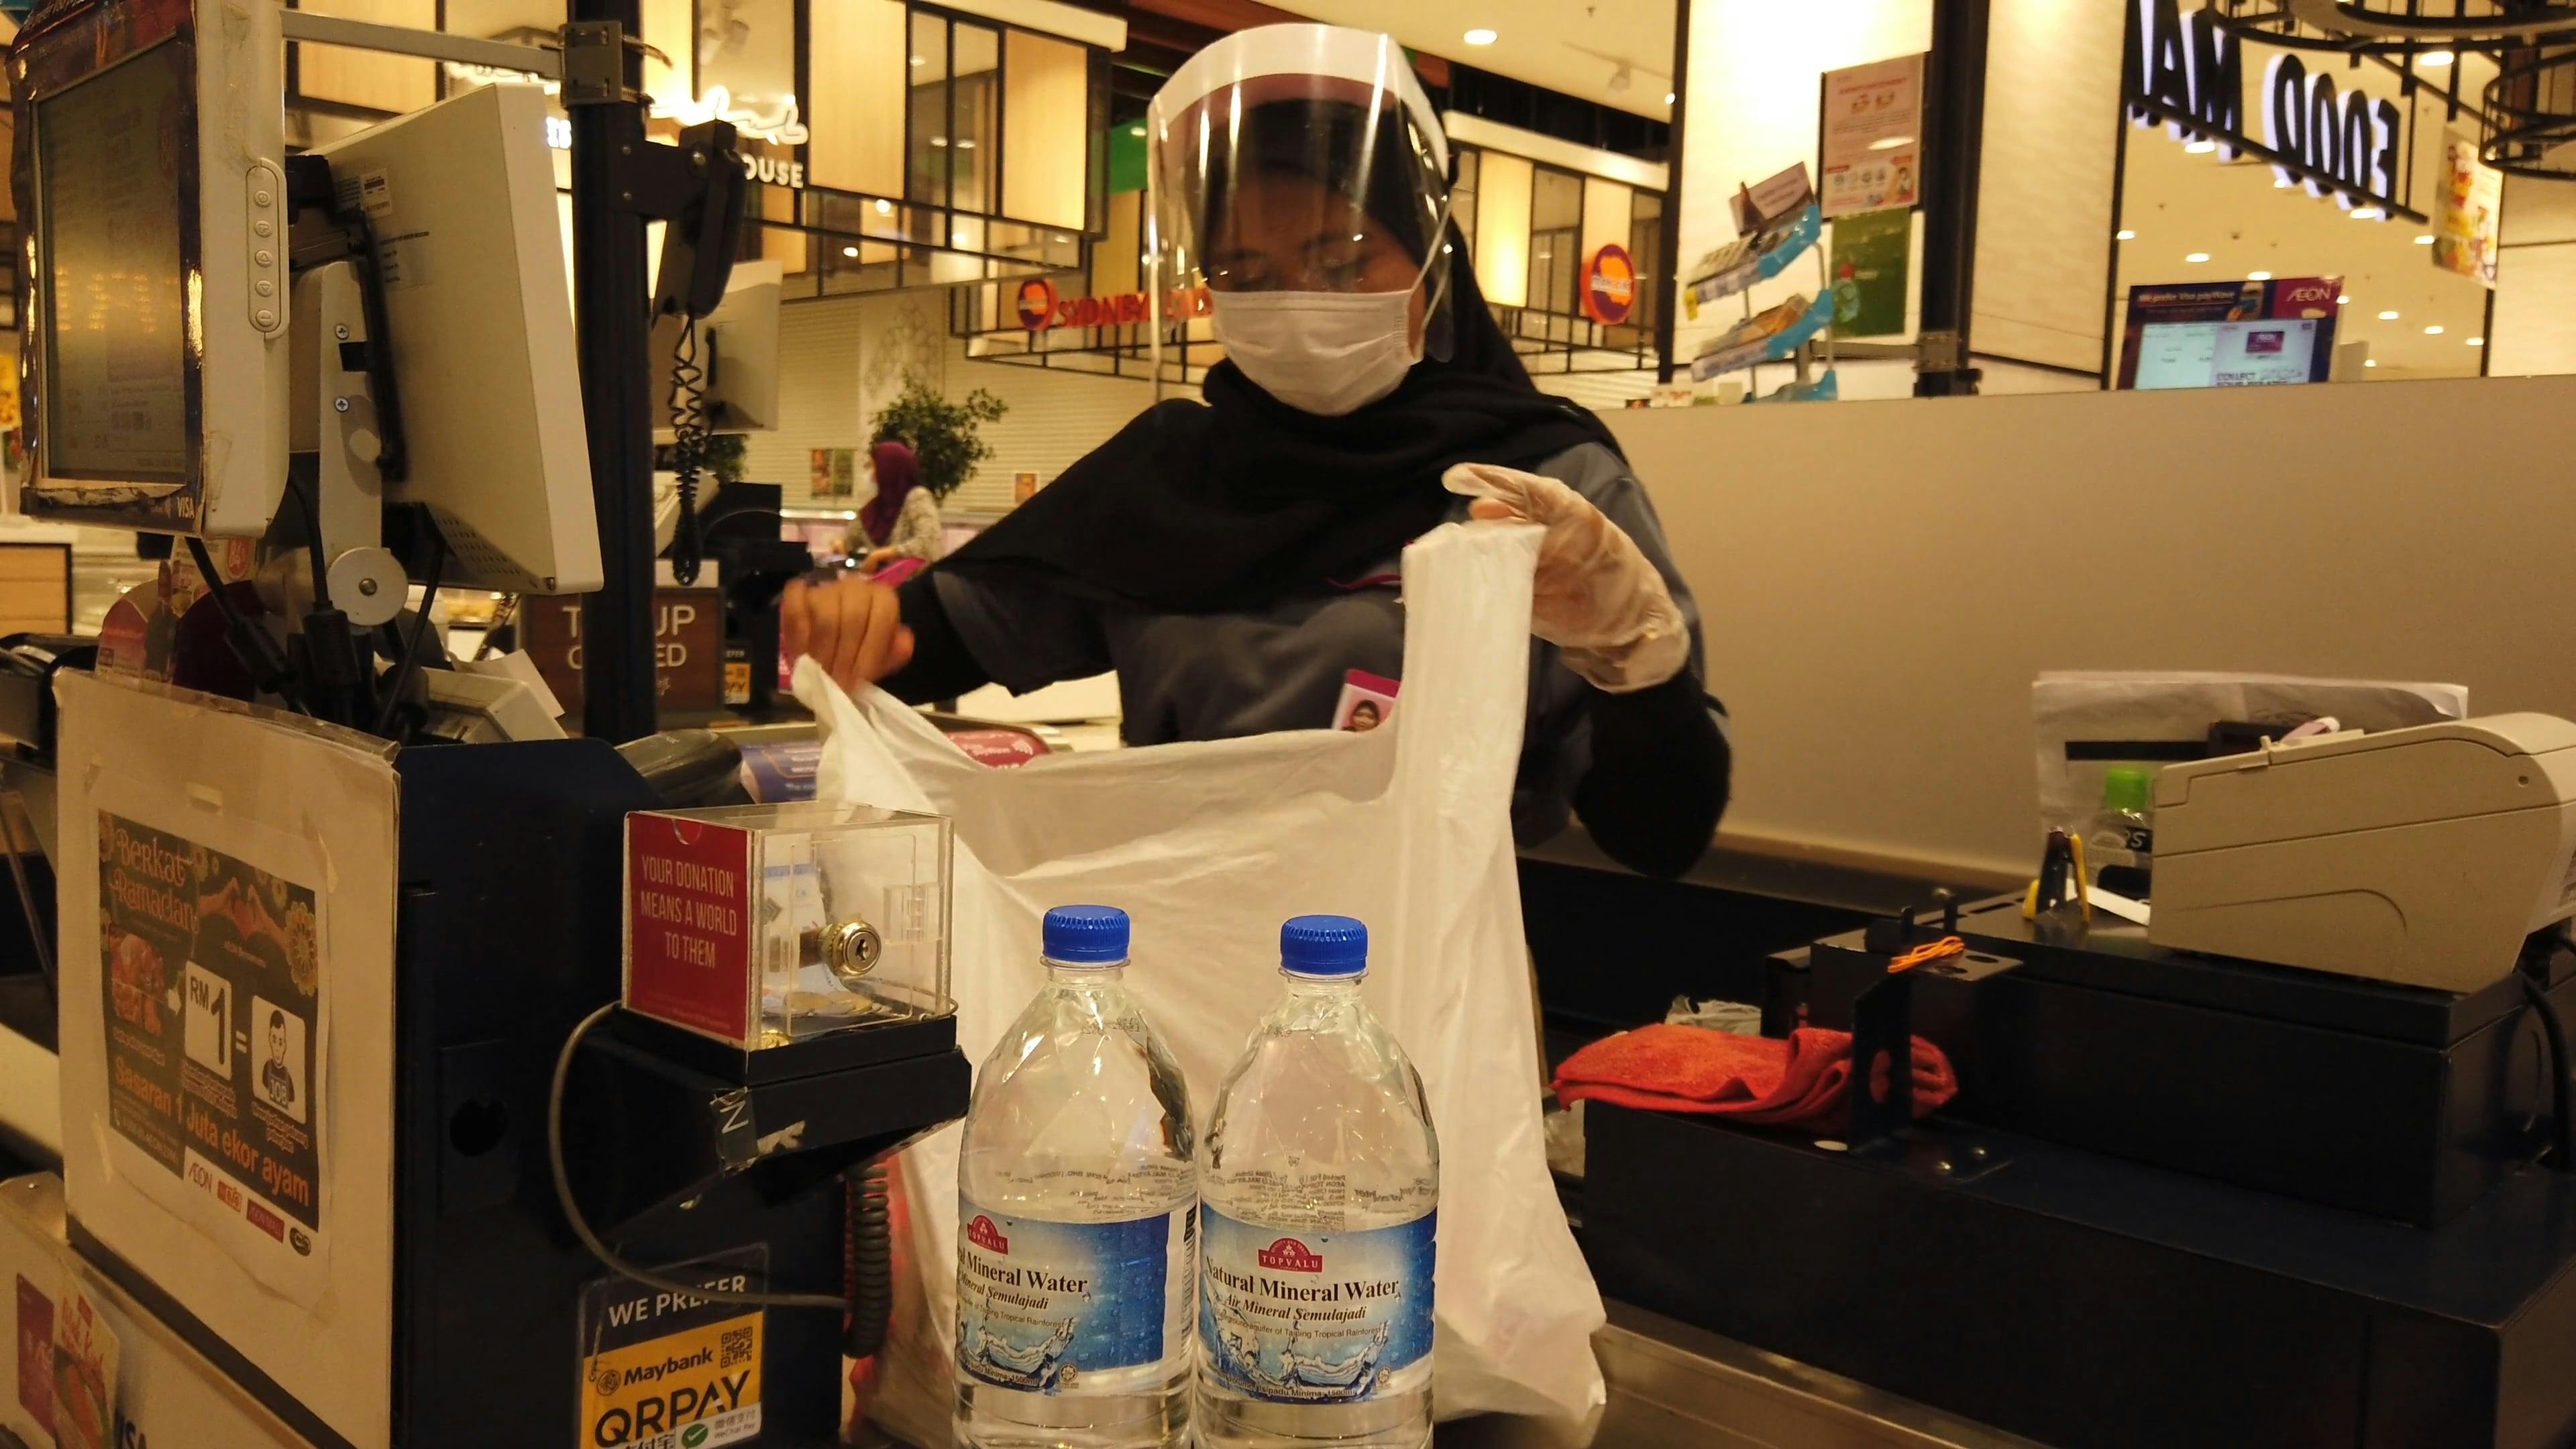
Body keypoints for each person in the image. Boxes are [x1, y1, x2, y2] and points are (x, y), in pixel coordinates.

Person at [785, 23, 1728, 879]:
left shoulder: (1540, 481)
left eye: (1343, 258)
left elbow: (1660, 834)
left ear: (1431, 261)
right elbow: (937, 640)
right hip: (1169, 951)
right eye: (1246, 273)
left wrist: (1633, 657)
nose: (1297, 300)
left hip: (1433, 974)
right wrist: (857, 626)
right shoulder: (1168, 477)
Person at [846, 440, 943, 574]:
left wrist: (882, 554)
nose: (872, 475)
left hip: (916, 587)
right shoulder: (874, 509)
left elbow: (927, 544)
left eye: (874, 467)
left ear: (888, 469)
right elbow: (851, 540)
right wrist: (839, 546)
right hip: (882, 590)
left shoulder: (918, 498)